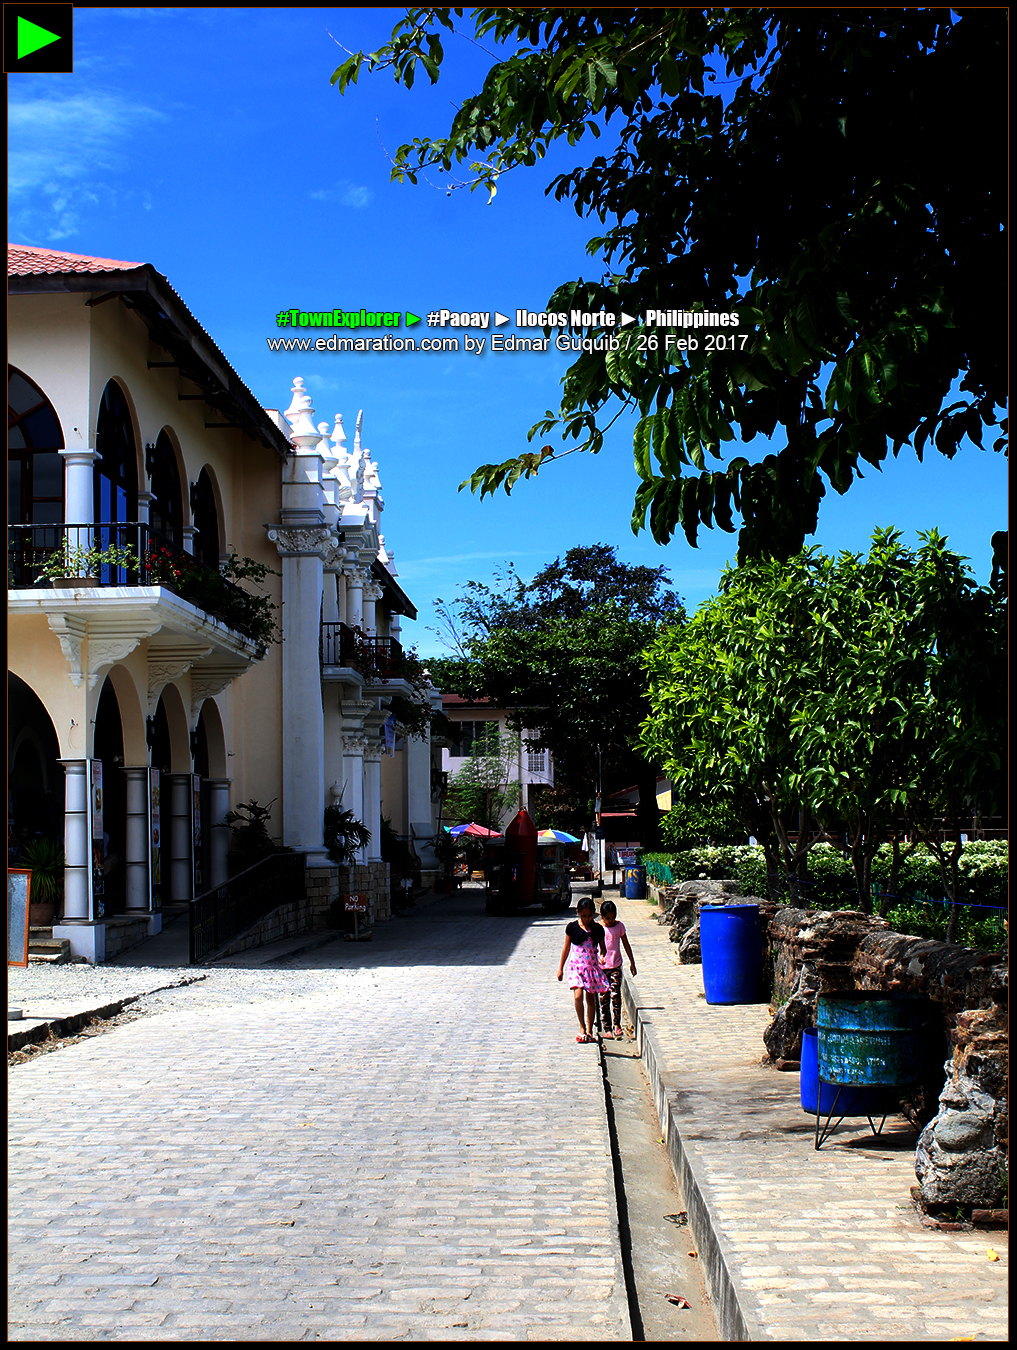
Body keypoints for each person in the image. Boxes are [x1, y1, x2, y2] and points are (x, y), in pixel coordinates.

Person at [557, 897, 610, 1042]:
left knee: (591, 999)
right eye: (584, 915)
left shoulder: (598, 929)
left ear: (594, 913)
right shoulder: (572, 928)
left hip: (591, 969)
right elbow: (566, 948)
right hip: (576, 968)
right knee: (578, 996)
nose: (587, 919)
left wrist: (602, 956)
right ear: (578, 913)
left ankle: (589, 1030)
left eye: (590, 915)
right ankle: (581, 1026)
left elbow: (602, 949)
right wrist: (560, 968)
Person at [598, 899, 637, 1039]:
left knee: (615, 996)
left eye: (613, 917)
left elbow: (626, 945)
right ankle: (606, 1027)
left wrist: (632, 962)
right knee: (604, 998)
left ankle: (617, 1024)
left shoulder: (619, 926)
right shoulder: (598, 928)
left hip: (615, 966)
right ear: (602, 916)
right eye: (607, 918)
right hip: (601, 968)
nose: (610, 921)